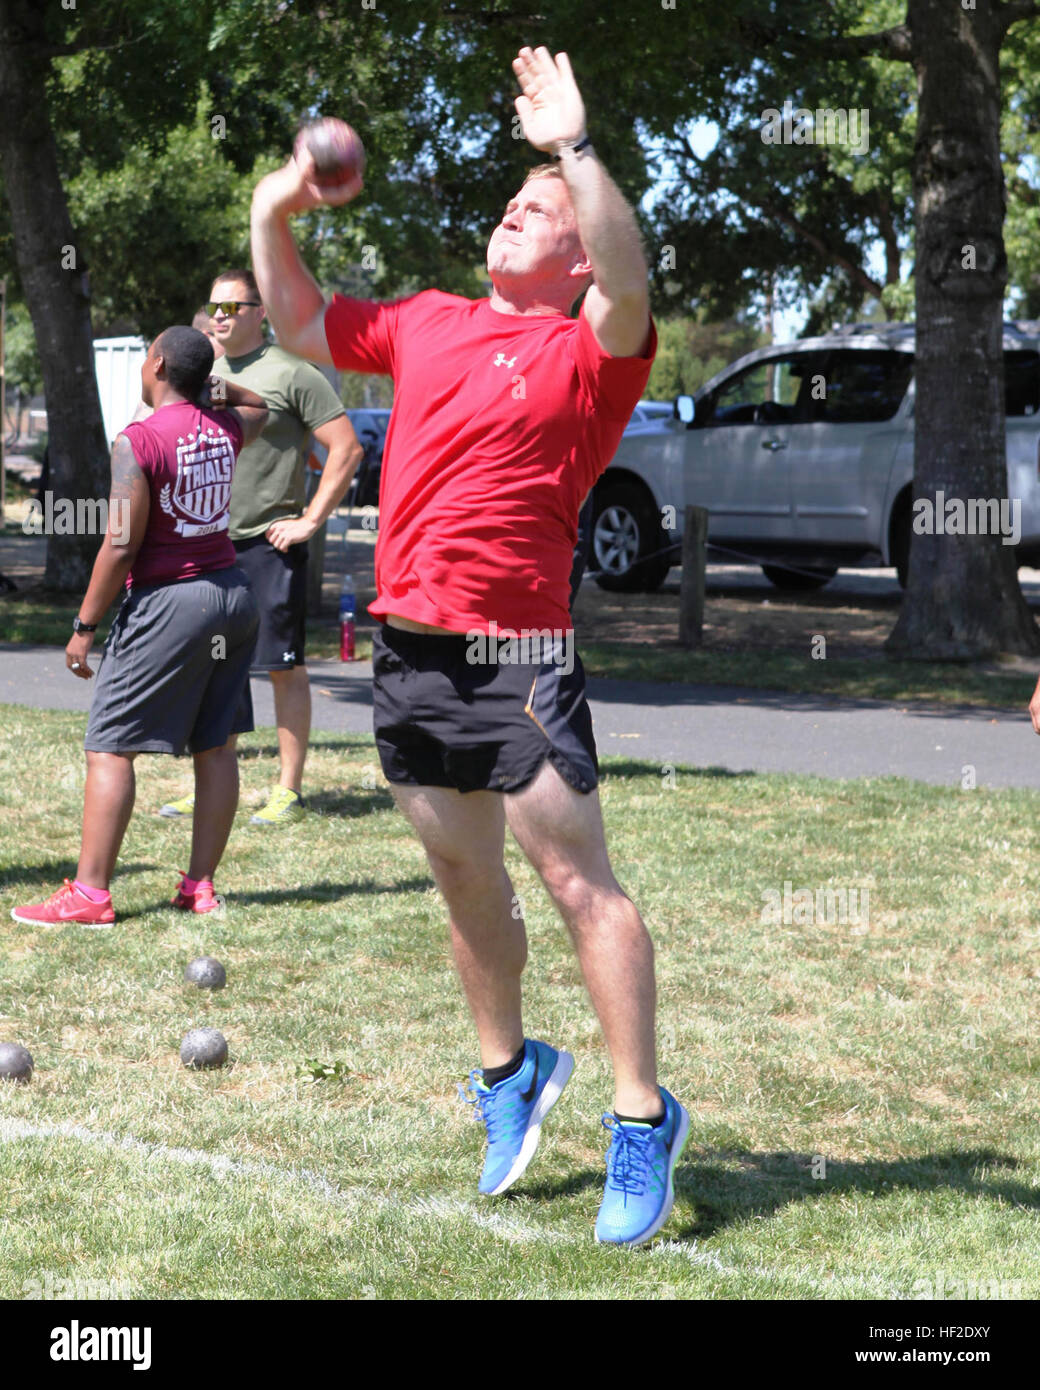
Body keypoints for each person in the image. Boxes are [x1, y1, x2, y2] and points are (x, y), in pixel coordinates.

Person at [249, 45, 688, 1247]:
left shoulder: (594, 351)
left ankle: (640, 1116)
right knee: (460, 877)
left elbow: (632, 270)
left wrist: (573, 149)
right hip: (408, 650)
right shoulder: (426, 322)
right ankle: (509, 1074)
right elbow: (291, 317)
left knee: (574, 880)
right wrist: (273, 205)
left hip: (517, 654)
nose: (516, 209)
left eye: (540, 211)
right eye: (513, 199)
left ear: (578, 257)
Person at [11, 327, 268, 927]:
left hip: (171, 602)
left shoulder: (140, 439)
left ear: (153, 364)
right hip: (233, 596)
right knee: (216, 743)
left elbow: (121, 545)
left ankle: (91, 895)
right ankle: (199, 886)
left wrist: (84, 626)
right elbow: (259, 406)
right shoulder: (223, 428)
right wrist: (214, 383)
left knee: (109, 745)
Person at [160, 271, 363, 825]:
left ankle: (288, 791)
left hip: (268, 544)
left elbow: (346, 449)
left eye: (233, 305)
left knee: (281, 666)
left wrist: (309, 520)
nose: (220, 315)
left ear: (262, 311)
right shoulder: (200, 374)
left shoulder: (294, 372)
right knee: (210, 663)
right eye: (214, 305)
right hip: (205, 547)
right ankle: (210, 783)